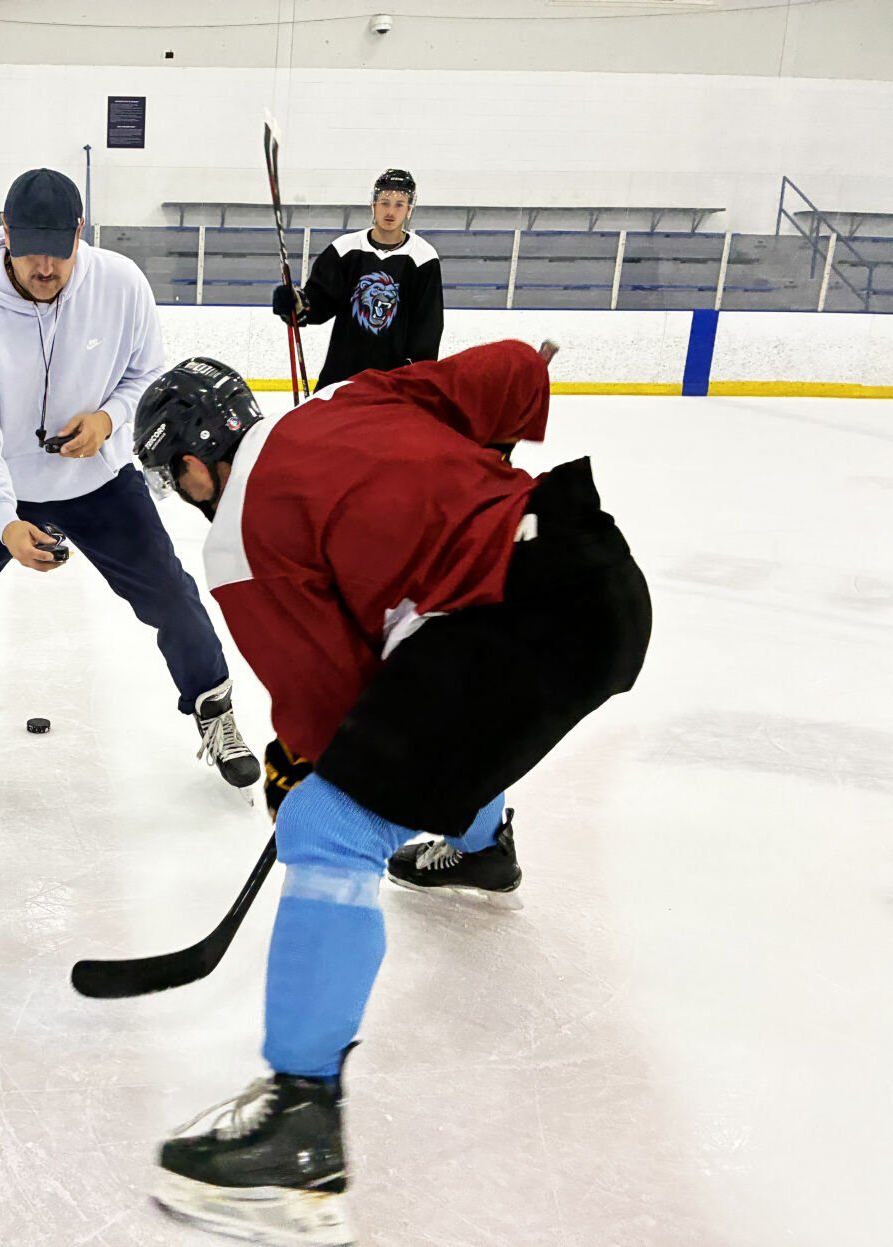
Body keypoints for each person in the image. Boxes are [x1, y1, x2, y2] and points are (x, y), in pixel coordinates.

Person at [130, 343, 652, 1245]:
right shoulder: (346, 397)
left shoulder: (234, 535)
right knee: (437, 708)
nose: (184, 497)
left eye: (176, 481)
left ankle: (299, 1124)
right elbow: (509, 377)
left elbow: (333, 701)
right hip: (596, 568)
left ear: (190, 463)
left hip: (514, 619)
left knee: (330, 825)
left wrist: (305, 771)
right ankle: (481, 846)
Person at [0, 168, 258, 818]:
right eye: (29, 249)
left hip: (99, 479)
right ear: (4, 234)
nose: (43, 266)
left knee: (171, 593)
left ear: (79, 234)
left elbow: (146, 375)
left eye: (56, 251)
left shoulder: (122, 286)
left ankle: (214, 709)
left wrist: (108, 420)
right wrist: (4, 521)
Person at [273, 168, 444, 389]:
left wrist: (414, 375)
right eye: (384, 202)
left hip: (393, 384)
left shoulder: (423, 258)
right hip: (341, 377)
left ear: (409, 209)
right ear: (373, 204)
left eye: (399, 204)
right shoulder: (345, 249)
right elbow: (319, 301)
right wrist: (295, 302)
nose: (390, 211)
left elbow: (428, 325)